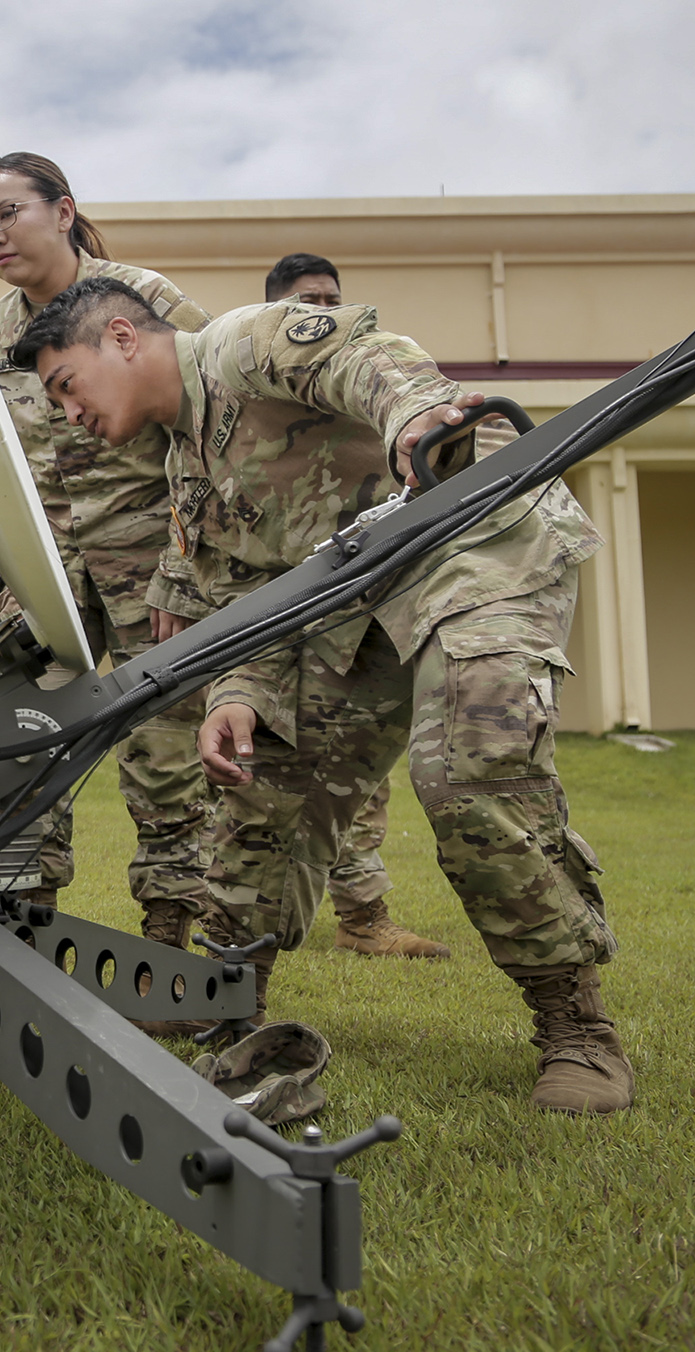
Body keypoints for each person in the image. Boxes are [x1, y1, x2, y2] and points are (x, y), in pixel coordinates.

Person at [15, 278, 631, 1114]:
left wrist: (414, 414)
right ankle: (227, 1007)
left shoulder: (241, 344)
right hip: (354, 608)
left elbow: (360, 359)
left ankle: (577, 1029)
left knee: (466, 767)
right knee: (264, 787)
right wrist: (236, 693)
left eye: (65, 385)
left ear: (121, 338)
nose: (66, 412)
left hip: (470, 543)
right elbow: (244, 599)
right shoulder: (187, 470)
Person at [0, 155, 217, 999]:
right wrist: (1, 570)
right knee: (24, 738)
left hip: (154, 557)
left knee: (168, 747)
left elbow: (206, 429)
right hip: (43, 569)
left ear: (63, 210)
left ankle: (173, 953)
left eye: (8, 213)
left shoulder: (140, 301)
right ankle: (28, 938)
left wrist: (186, 569)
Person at [261, 253, 448, 961]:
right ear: (280, 313)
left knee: (360, 773)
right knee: (294, 765)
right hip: (291, 602)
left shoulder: (354, 377)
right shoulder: (260, 389)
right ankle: (249, 914)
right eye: (310, 301)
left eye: (334, 300)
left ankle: (363, 916)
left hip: (368, 590)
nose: (326, 312)